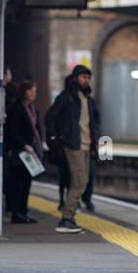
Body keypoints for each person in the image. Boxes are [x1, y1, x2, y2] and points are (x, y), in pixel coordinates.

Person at [45, 64, 100, 234]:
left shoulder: (88, 99)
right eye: (83, 77)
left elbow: (95, 122)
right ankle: (66, 218)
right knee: (80, 181)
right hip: (72, 146)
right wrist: (56, 139)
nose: (86, 80)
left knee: (80, 181)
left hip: (86, 146)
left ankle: (70, 217)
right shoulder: (66, 97)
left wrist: (97, 144)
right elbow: (50, 118)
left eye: (88, 78)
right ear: (75, 78)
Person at [4, 80, 43, 223]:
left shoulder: (33, 109)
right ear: (24, 92)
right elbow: (12, 131)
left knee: (27, 182)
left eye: (35, 91)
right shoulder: (17, 108)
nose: (34, 94)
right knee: (18, 183)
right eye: (31, 91)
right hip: (19, 153)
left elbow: (37, 129)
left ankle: (23, 211)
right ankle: (16, 212)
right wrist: (24, 144)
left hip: (31, 152)